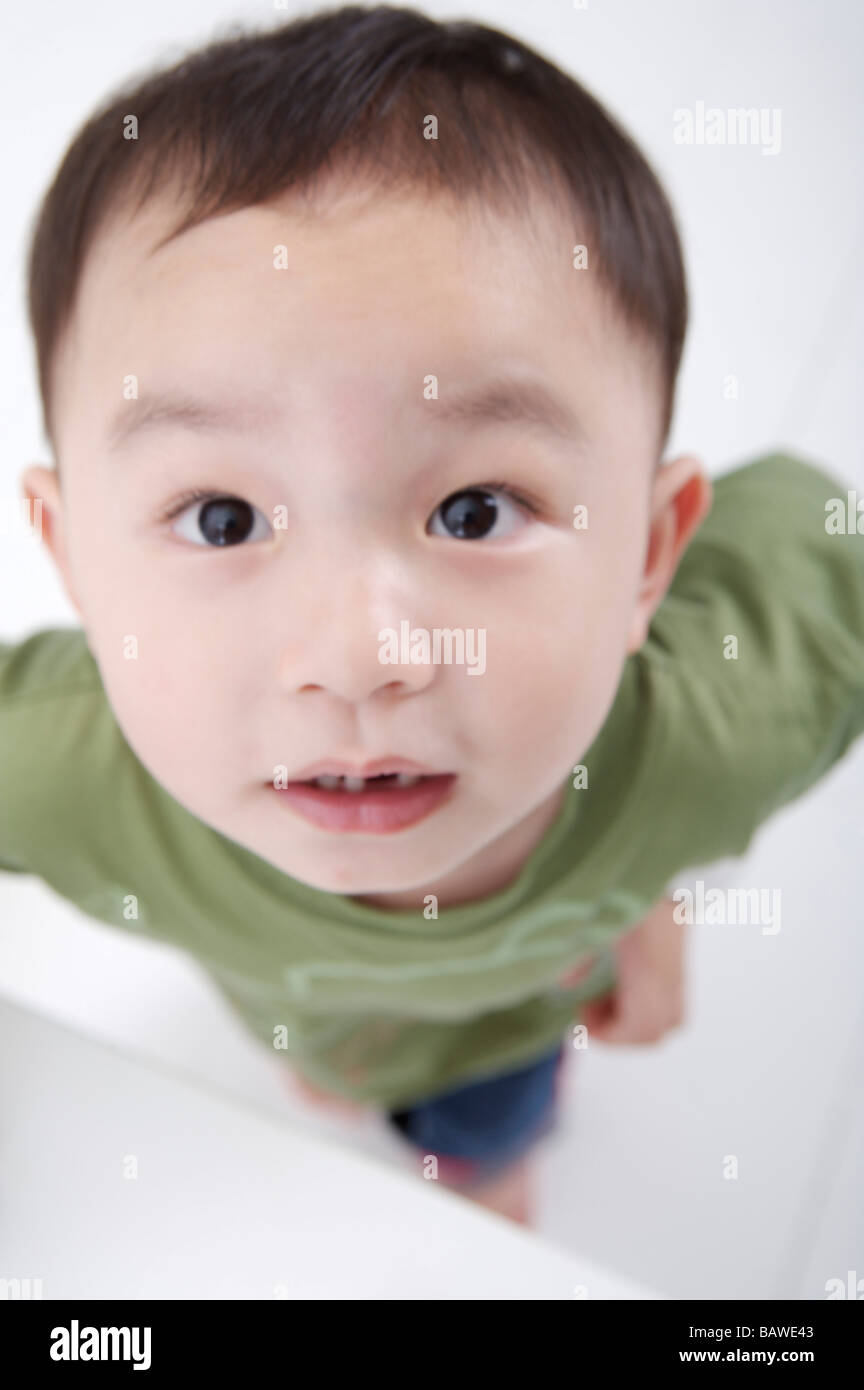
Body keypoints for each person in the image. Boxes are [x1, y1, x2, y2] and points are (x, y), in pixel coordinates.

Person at [3, 6, 863, 1227]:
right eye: (222, 519)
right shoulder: (50, 769)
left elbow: (820, 541)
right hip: (296, 1011)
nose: (360, 661)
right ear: (74, 557)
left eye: (473, 510)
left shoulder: (729, 718)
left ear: (647, 556)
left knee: (479, 1169)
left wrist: (653, 896)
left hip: (507, 1035)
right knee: (313, 1058)